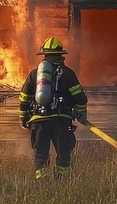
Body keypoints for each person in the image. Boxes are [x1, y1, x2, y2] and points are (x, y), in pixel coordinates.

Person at [18, 37, 88, 179]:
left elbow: (24, 98)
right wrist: (81, 112)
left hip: (39, 121)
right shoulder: (68, 74)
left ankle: (42, 182)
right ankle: (63, 181)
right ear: (61, 55)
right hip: (61, 121)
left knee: (40, 154)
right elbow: (80, 98)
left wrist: (23, 118)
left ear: (44, 55)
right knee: (64, 154)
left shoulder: (35, 74)